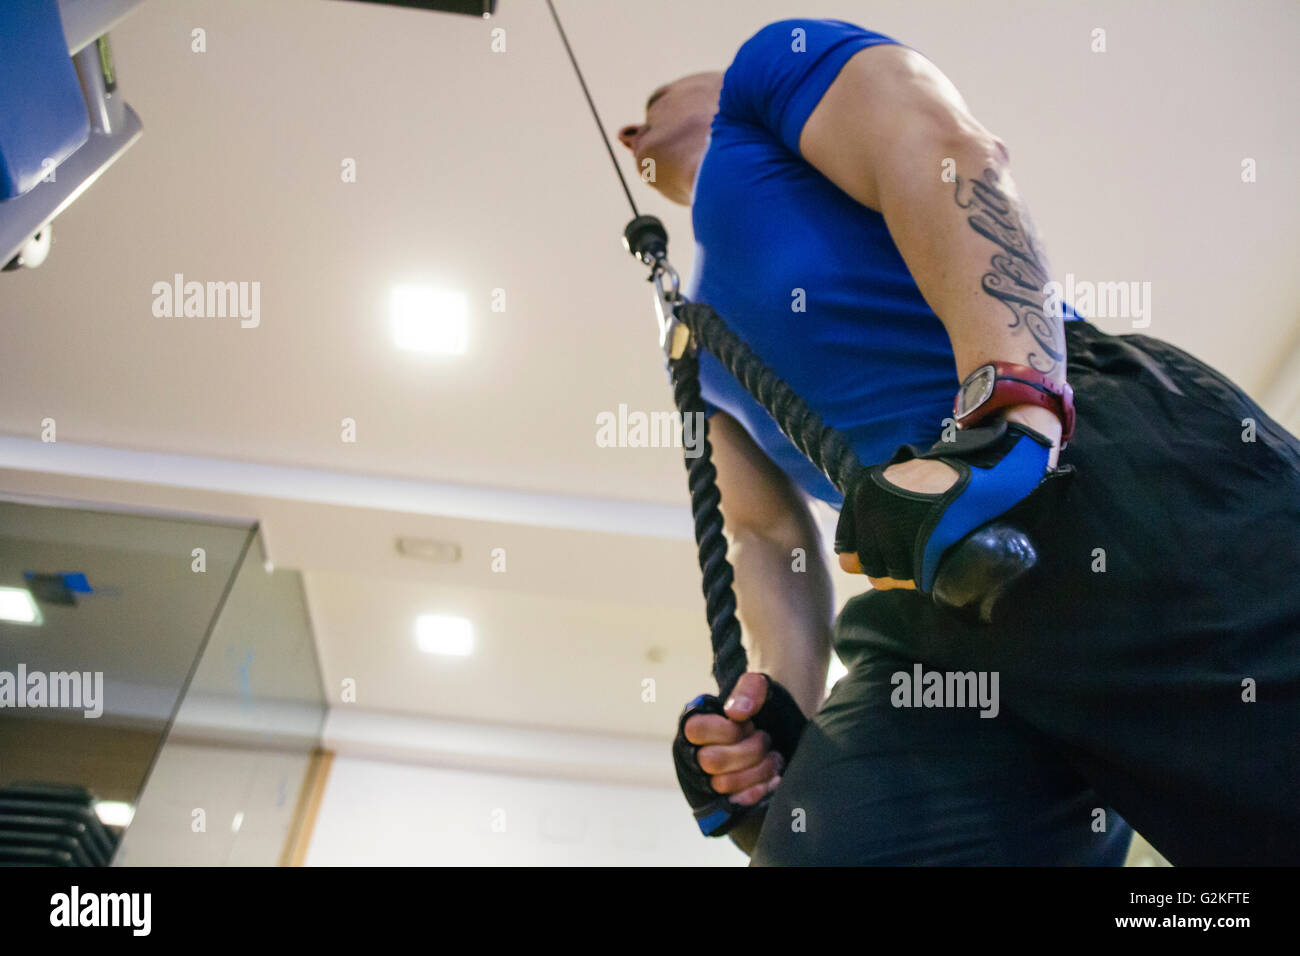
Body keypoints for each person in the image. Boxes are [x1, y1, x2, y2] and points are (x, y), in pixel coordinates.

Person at [618, 18, 1300, 865]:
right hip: (941, 584)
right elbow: (767, 536)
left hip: (1093, 460)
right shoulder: (693, 338)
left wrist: (1011, 414)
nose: (640, 120)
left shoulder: (771, 74)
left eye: (661, 92)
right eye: (636, 115)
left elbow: (947, 152)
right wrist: (771, 716)